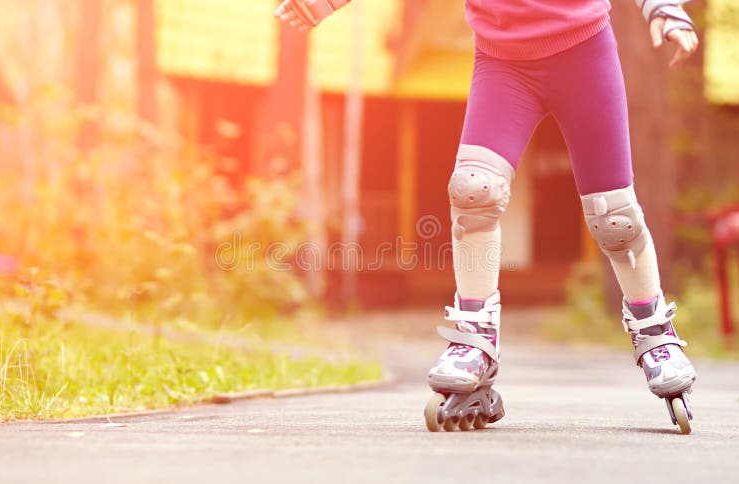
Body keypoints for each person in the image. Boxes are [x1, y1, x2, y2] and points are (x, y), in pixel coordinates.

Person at [275, 0, 699, 433]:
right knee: (473, 190)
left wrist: (663, 7)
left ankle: (655, 336)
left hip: (584, 54)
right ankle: (475, 339)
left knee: (614, 217)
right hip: (503, 64)